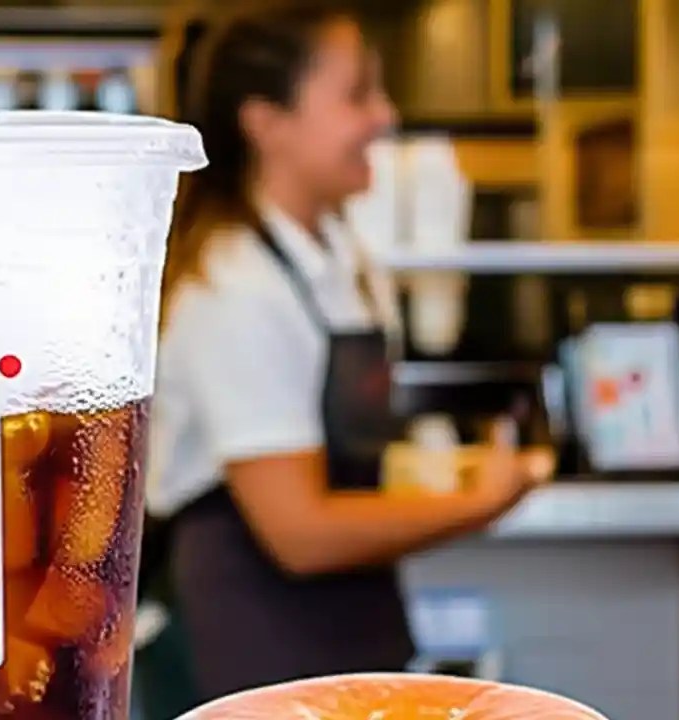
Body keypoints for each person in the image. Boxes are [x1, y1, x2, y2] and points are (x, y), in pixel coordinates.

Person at [145, 3, 536, 702]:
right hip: (254, 633)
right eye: (358, 95)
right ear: (266, 123)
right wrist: (479, 501)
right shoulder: (233, 286)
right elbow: (298, 531)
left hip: (354, 621)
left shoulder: (340, 256)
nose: (385, 117)